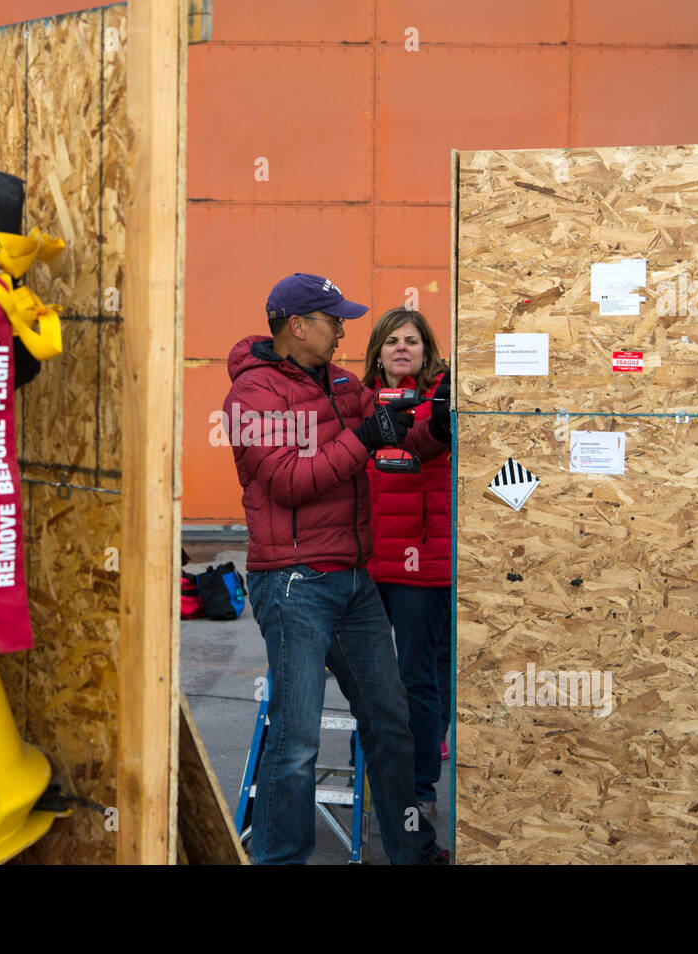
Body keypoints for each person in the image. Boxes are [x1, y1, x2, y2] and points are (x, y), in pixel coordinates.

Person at [224, 272, 451, 865]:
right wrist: (368, 437)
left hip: (354, 578)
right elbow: (288, 481)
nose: (342, 330)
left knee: (391, 722)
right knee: (296, 739)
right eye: (332, 321)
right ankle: (281, 858)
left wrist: (435, 426)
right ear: (297, 326)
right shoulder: (253, 396)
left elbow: (393, 432)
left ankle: (411, 850)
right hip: (293, 581)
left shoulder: (345, 382)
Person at [362, 308, 454, 818]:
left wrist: (436, 423)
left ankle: (420, 787)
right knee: (372, 679)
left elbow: (419, 442)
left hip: (424, 562)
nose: (402, 348)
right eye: (392, 340)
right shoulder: (359, 400)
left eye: (412, 341)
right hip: (370, 561)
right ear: (377, 350)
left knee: (417, 678)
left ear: (426, 351)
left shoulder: (441, 402)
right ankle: (378, 768)